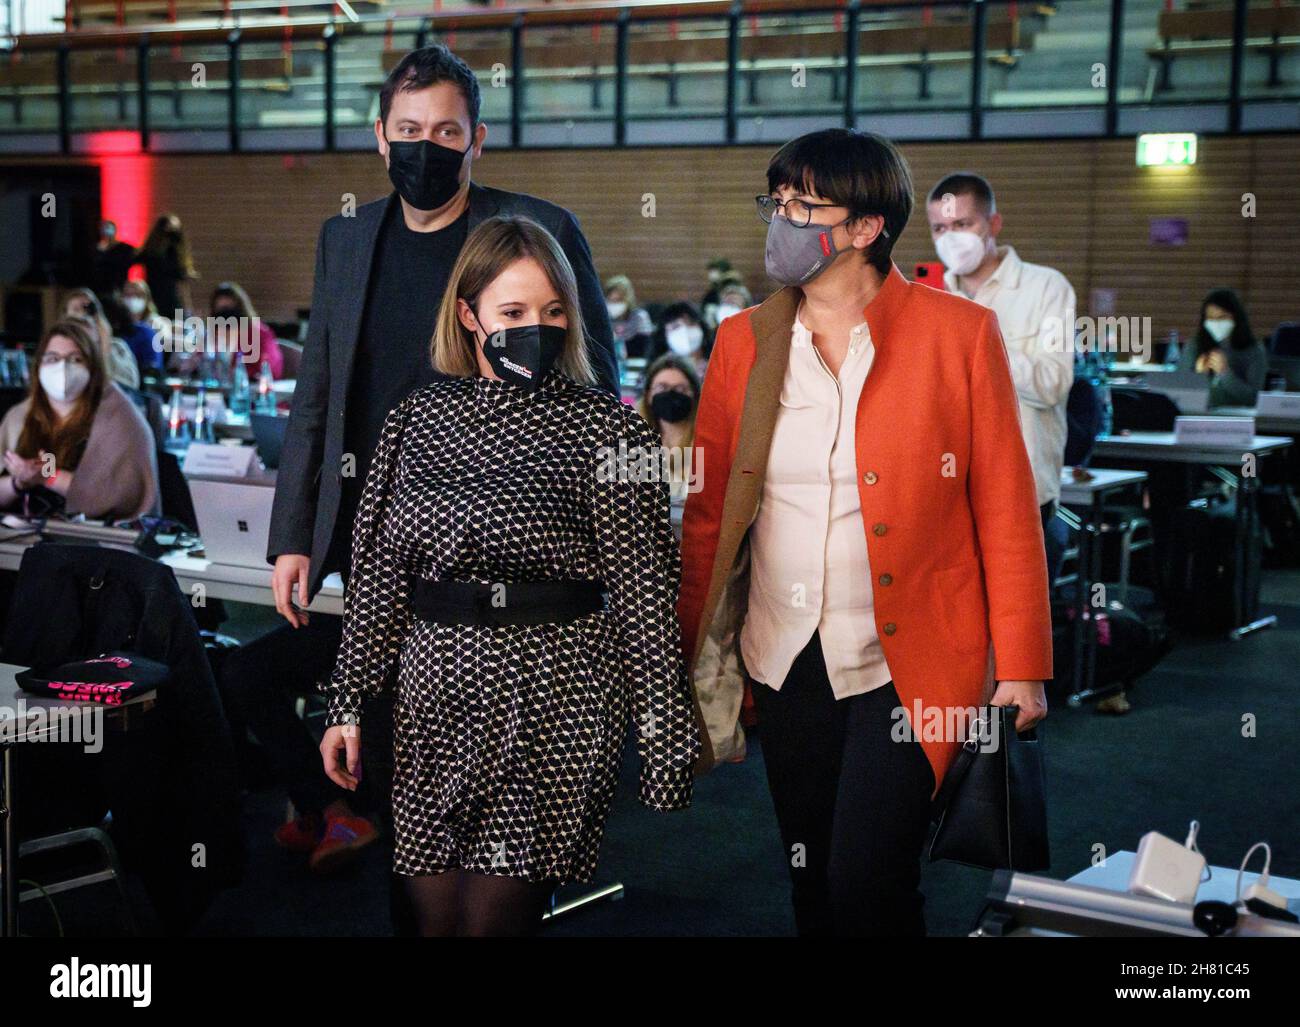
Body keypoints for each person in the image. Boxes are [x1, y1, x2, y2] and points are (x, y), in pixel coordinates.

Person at [264, 45, 617, 924]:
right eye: (411, 130)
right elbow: (317, 396)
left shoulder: (534, 229)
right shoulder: (346, 239)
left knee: (499, 813)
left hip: (512, 571)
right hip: (381, 550)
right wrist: (293, 532)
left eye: (447, 132)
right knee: (398, 781)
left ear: (477, 141)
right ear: (381, 139)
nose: (428, 147)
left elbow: (595, 379)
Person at [679, 129, 1052, 937]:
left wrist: (1021, 664)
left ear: (864, 228)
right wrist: (696, 653)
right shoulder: (745, 342)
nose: (780, 220)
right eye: (775, 202)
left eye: (803, 206)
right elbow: (713, 514)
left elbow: (1005, 509)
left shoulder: (957, 334)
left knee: (867, 884)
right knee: (812, 883)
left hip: (908, 663)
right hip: (783, 658)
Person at [318, 215, 699, 937]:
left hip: (555, 689)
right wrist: (345, 701)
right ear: (468, 315)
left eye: (554, 311)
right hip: (434, 692)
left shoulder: (611, 430)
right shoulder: (415, 420)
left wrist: (664, 738)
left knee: (492, 927)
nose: (539, 327)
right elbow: (378, 578)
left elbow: (646, 596)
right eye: (515, 312)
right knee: (430, 924)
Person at [927, 171, 1075, 590]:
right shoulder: (929, 297)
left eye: (962, 225)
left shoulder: (1046, 288)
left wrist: (980, 340)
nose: (951, 238)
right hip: (943, 495)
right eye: (940, 228)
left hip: (1021, 493)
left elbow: (1052, 384)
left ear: (993, 224)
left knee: (1019, 632)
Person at [0, 318, 159, 521]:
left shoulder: (120, 418)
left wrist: (49, 476)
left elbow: (115, 500)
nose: (63, 368)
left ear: (92, 367)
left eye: (75, 359)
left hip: (92, 543)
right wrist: (19, 482)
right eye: (53, 358)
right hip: (19, 539)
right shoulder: (20, 415)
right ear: (38, 366)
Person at [636, 352, 701, 538]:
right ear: (648, 395)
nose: (671, 394)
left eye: (681, 389)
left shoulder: (707, 443)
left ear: (694, 395)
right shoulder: (633, 440)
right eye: (662, 387)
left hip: (692, 541)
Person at [1178, 287, 1267, 407]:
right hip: (1199, 413)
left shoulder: (1254, 350)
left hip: (1236, 417)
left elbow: (1253, 399)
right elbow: (1179, 392)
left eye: (1222, 317)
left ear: (1236, 318)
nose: (1216, 323)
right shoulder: (1194, 345)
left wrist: (1224, 372)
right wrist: (1199, 377)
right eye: (1210, 318)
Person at [60, 287, 141, 390]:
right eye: (76, 309)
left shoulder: (118, 347)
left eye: (88, 309)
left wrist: (105, 345)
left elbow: (129, 386)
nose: (83, 315)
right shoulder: (58, 349)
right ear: (65, 316)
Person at [208, 281, 285, 381]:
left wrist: (238, 374)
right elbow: (201, 363)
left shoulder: (259, 333)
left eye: (228, 310)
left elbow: (271, 369)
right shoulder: (211, 336)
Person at [136, 213, 198, 318]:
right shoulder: (153, 253)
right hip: (157, 300)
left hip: (168, 301)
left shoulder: (173, 251)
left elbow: (182, 283)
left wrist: (188, 307)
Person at [648, 301, 711, 377]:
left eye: (691, 323)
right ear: (664, 335)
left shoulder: (718, 363)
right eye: (675, 327)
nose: (685, 331)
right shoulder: (657, 369)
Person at [604, 273, 655, 362]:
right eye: (611, 301)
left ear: (628, 299)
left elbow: (644, 349)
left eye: (619, 300)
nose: (615, 304)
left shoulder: (640, 317)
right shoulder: (604, 319)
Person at [90, 219, 136, 302]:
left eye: (109, 228)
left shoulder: (124, 248)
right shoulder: (95, 249)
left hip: (119, 287)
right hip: (100, 289)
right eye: (104, 228)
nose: (107, 231)